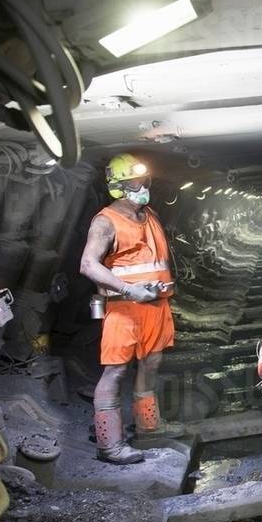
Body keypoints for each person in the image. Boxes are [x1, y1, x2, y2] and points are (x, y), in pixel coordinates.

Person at [79, 153, 184, 464]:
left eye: (143, 181)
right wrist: (129, 289)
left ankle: (148, 426)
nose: (141, 186)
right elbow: (88, 265)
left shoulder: (148, 214)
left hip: (156, 305)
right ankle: (109, 445)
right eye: (134, 183)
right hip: (124, 309)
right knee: (116, 370)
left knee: (151, 363)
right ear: (117, 187)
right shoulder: (106, 221)